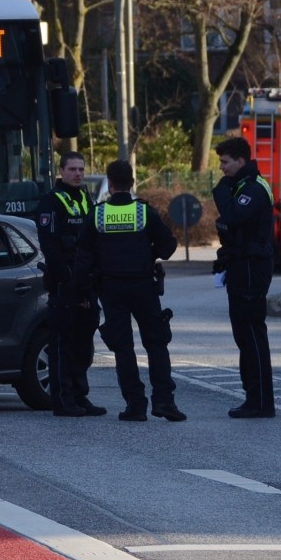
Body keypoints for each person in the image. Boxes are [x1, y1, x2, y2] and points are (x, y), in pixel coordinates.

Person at [72, 159, 183, 423]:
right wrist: (148, 253)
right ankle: (164, 402)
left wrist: (80, 291)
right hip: (144, 286)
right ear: (132, 183)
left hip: (110, 288)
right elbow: (168, 247)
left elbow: (83, 256)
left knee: (123, 348)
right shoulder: (144, 212)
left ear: (110, 184)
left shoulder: (97, 214)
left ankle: (135, 405)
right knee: (156, 343)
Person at [212, 135, 277, 418]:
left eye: (225, 162)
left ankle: (261, 402)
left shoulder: (253, 188)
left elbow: (233, 215)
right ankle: (253, 397)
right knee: (244, 336)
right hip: (243, 267)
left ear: (241, 160)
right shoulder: (241, 185)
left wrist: (221, 190)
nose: (222, 168)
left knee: (251, 335)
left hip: (252, 269)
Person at [36, 151, 103, 417]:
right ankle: (63, 400)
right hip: (65, 285)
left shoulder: (86, 199)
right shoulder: (51, 202)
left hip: (87, 284)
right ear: (61, 171)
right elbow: (50, 247)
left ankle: (79, 395)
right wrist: (69, 280)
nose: (78, 174)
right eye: (73, 169)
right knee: (62, 345)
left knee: (83, 345)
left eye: (81, 169)